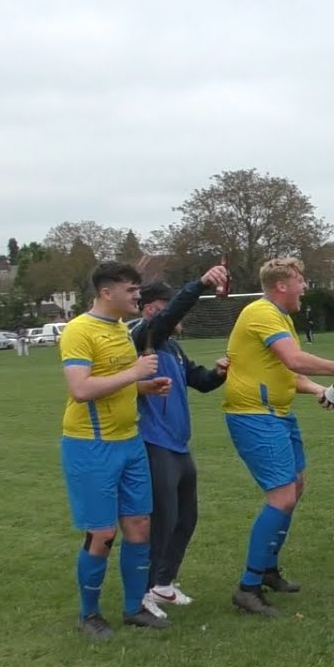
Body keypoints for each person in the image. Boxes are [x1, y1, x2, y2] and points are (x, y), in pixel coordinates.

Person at [224, 257, 334, 617]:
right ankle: (248, 586)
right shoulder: (262, 313)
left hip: (277, 413)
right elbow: (294, 360)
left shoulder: (281, 316)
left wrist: (322, 390)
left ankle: (268, 569)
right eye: (300, 280)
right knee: (283, 497)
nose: (305, 287)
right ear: (282, 286)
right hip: (253, 415)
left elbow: (288, 373)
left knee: (296, 487)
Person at [58, 261, 168, 639]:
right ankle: (89, 614)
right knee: (102, 534)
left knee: (139, 525)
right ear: (107, 293)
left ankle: (134, 607)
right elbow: (81, 389)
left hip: (129, 441)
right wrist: (135, 374)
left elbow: (113, 382)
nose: (138, 296)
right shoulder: (79, 331)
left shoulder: (120, 329)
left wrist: (143, 388)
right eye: (131, 290)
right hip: (91, 445)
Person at [127, 265, 229, 618]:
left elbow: (198, 381)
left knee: (186, 518)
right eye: (168, 309)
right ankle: (142, 593)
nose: (179, 318)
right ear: (153, 309)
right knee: (162, 520)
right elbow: (172, 315)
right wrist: (200, 284)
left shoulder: (172, 349)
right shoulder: (145, 337)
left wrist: (218, 373)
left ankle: (164, 584)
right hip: (154, 444)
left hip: (179, 446)